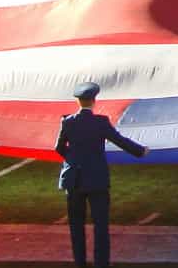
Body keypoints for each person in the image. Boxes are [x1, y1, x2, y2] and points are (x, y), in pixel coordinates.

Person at [55, 81, 148, 268]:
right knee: (100, 225)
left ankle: (80, 263)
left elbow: (58, 148)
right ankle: (101, 263)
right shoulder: (100, 122)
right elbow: (119, 140)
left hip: (74, 180)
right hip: (96, 179)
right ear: (94, 100)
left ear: (78, 101)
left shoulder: (67, 121)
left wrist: (72, 161)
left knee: (76, 226)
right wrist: (140, 151)